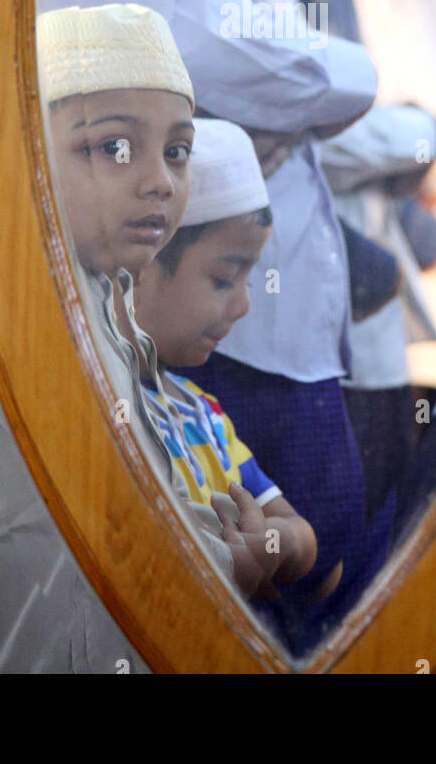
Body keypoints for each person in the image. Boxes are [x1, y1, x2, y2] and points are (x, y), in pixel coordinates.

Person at [154, 0, 380, 625]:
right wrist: (348, 89)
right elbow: (228, 87)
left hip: (272, 337)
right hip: (240, 346)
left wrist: (292, 101)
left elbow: (270, 97)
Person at [0, 4, 256, 673]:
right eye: (113, 147)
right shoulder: (41, 304)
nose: (160, 180)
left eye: (177, 151)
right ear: (32, 156)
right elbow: (130, 529)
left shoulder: (102, 298)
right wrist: (235, 559)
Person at [134, 117, 318, 597]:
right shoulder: (102, 410)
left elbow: (297, 531)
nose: (243, 305)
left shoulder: (203, 413)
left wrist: (271, 546)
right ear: (138, 268)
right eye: (222, 280)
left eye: (248, 280)